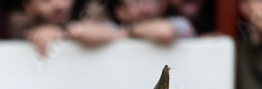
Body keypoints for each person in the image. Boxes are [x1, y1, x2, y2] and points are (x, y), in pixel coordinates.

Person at [65, 0, 196, 47]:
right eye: (137, 2)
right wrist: (128, 33)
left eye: (152, 1)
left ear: (162, 6)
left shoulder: (180, 23)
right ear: (120, 11)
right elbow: (78, 31)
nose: (146, 8)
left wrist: (129, 32)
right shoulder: (112, 28)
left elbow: (165, 33)